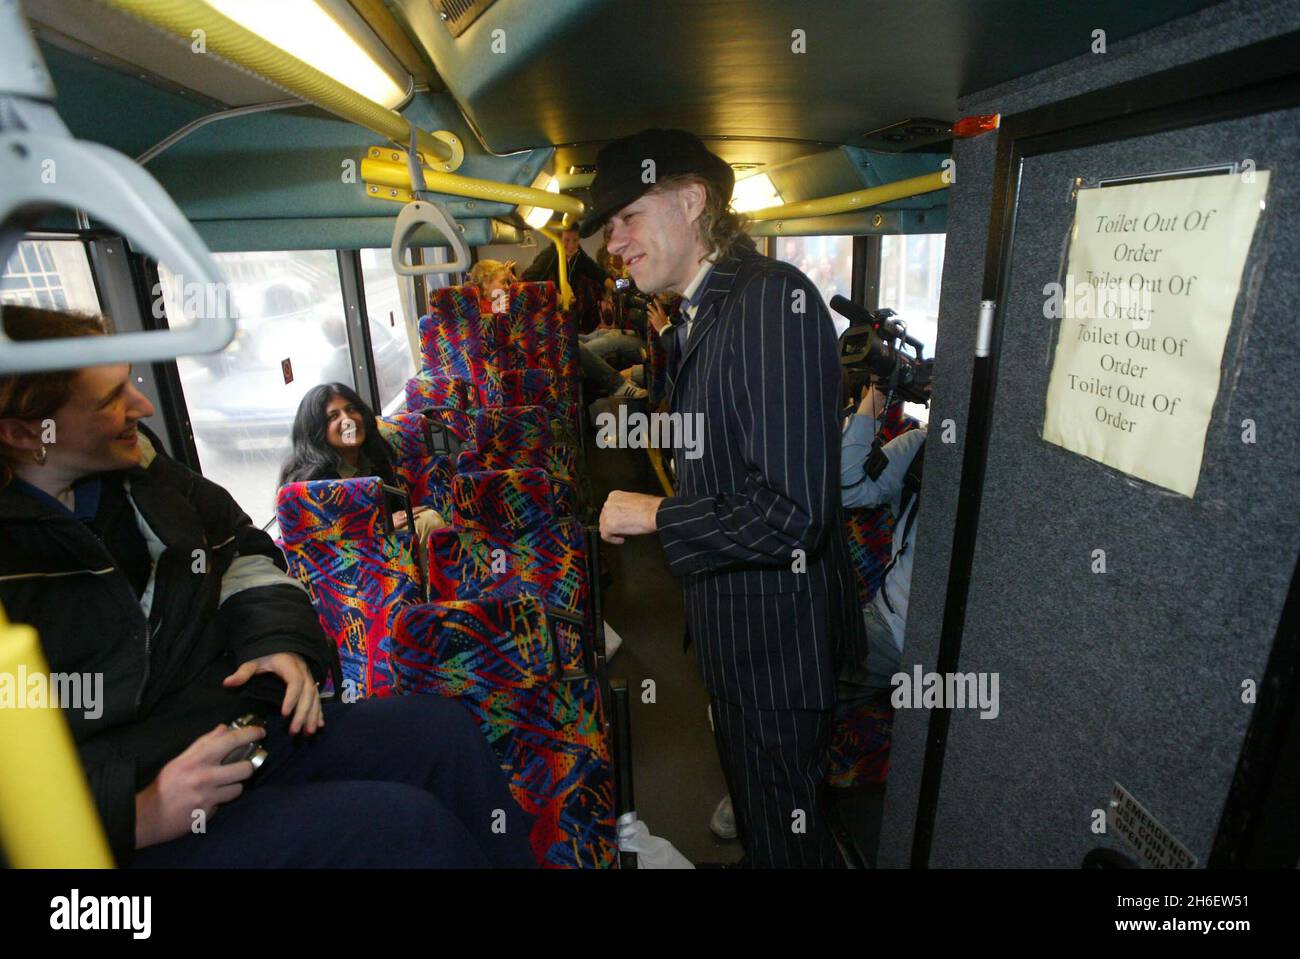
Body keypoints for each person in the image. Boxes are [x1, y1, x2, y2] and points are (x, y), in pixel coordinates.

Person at [0, 306, 533, 868]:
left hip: (235, 727)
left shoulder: (146, 474)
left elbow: (246, 552)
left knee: (442, 733)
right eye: (110, 401)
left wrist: (275, 640)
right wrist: (131, 815)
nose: (143, 406)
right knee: (404, 829)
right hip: (130, 812)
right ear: (23, 432)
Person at [593, 129, 862, 868]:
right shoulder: (708, 306)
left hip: (776, 643)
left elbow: (794, 514)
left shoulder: (770, 304)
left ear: (691, 199)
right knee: (762, 814)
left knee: (786, 836)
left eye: (627, 218)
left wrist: (655, 512)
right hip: (737, 630)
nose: (614, 242)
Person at [838, 380, 927, 703]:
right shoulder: (920, 446)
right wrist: (878, 395)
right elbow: (848, 486)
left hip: (925, 642)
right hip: (889, 620)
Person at [278, 382, 445, 542]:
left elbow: (393, 510)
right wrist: (378, 525)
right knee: (428, 522)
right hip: (344, 561)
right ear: (317, 430)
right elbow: (322, 537)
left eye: (351, 409)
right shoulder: (312, 483)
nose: (348, 420)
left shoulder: (374, 459)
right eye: (334, 416)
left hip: (379, 545)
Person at [522, 224, 606, 333]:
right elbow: (525, 282)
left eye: (575, 240)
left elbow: (598, 273)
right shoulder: (548, 256)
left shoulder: (579, 255)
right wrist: (555, 295)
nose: (571, 245)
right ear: (558, 239)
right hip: (549, 315)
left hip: (571, 313)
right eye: (566, 240)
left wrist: (614, 286)